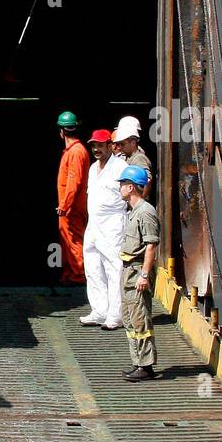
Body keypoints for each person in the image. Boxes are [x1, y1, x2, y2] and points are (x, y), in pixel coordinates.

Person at [117, 165, 159, 382]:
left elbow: (151, 246)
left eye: (122, 184)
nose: (120, 188)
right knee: (130, 319)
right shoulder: (134, 212)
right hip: (128, 270)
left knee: (140, 319)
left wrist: (144, 275)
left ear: (131, 186)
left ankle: (146, 365)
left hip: (137, 271)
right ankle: (138, 362)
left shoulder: (145, 212)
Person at [80, 129, 125, 330]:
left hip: (113, 223)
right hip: (94, 223)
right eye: (94, 145)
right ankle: (99, 310)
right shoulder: (92, 168)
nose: (96, 149)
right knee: (92, 266)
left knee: (114, 268)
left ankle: (115, 315)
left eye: (100, 145)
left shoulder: (120, 167)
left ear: (110, 146)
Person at [54, 110, 89, 286]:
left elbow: (73, 182)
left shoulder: (75, 152)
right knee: (68, 241)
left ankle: (78, 275)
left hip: (71, 207)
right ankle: (69, 274)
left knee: (74, 241)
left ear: (62, 131)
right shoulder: (73, 150)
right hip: (70, 207)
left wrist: (65, 205)